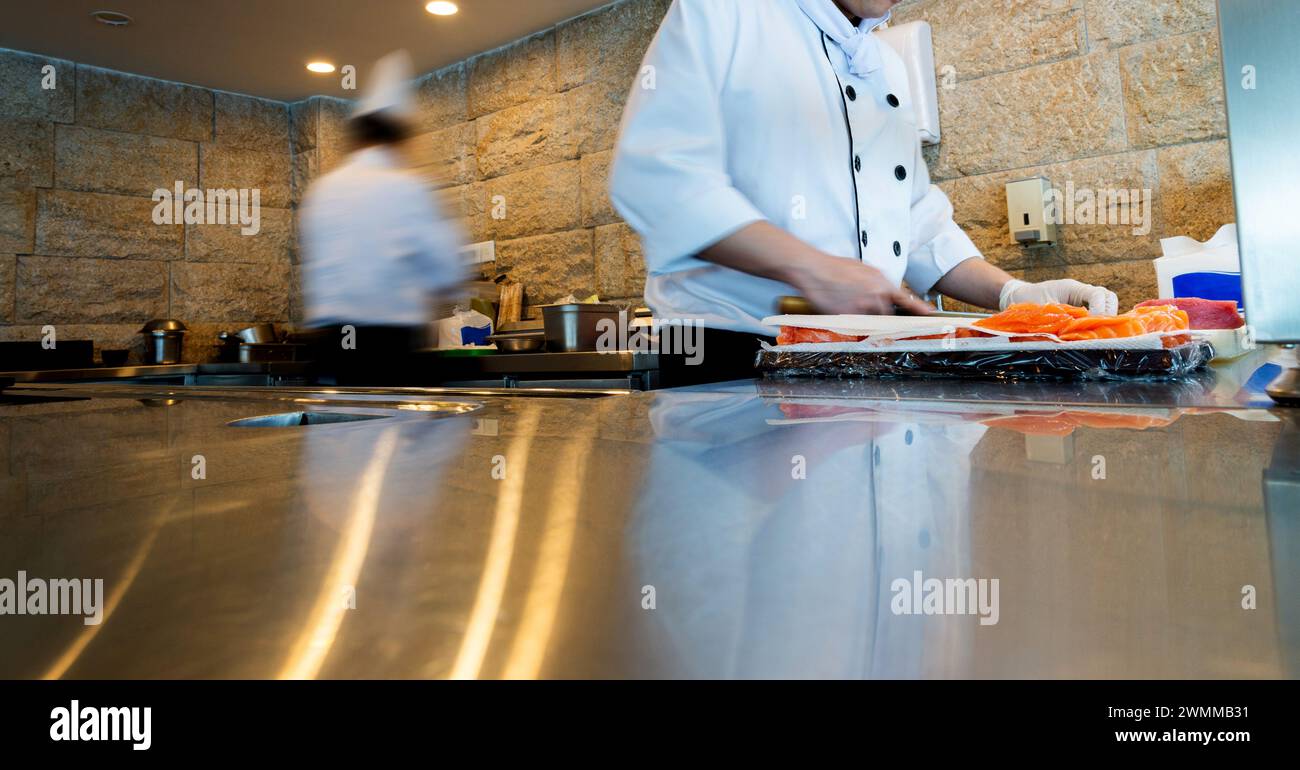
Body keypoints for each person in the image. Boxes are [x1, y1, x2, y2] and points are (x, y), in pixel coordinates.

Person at [610, 0, 1118, 384]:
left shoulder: (886, 66)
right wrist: (813, 269)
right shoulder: (724, 10)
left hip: (864, 361)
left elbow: (917, 225)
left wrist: (1014, 297)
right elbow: (657, 175)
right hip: (729, 361)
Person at [299, 50, 465, 384]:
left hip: (326, 350)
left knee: (332, 431)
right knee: (392, 432)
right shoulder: (407, 187)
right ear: (400, 137)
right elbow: (448, 271)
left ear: (359, 136)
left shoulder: (320, 191)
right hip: (385, 350)